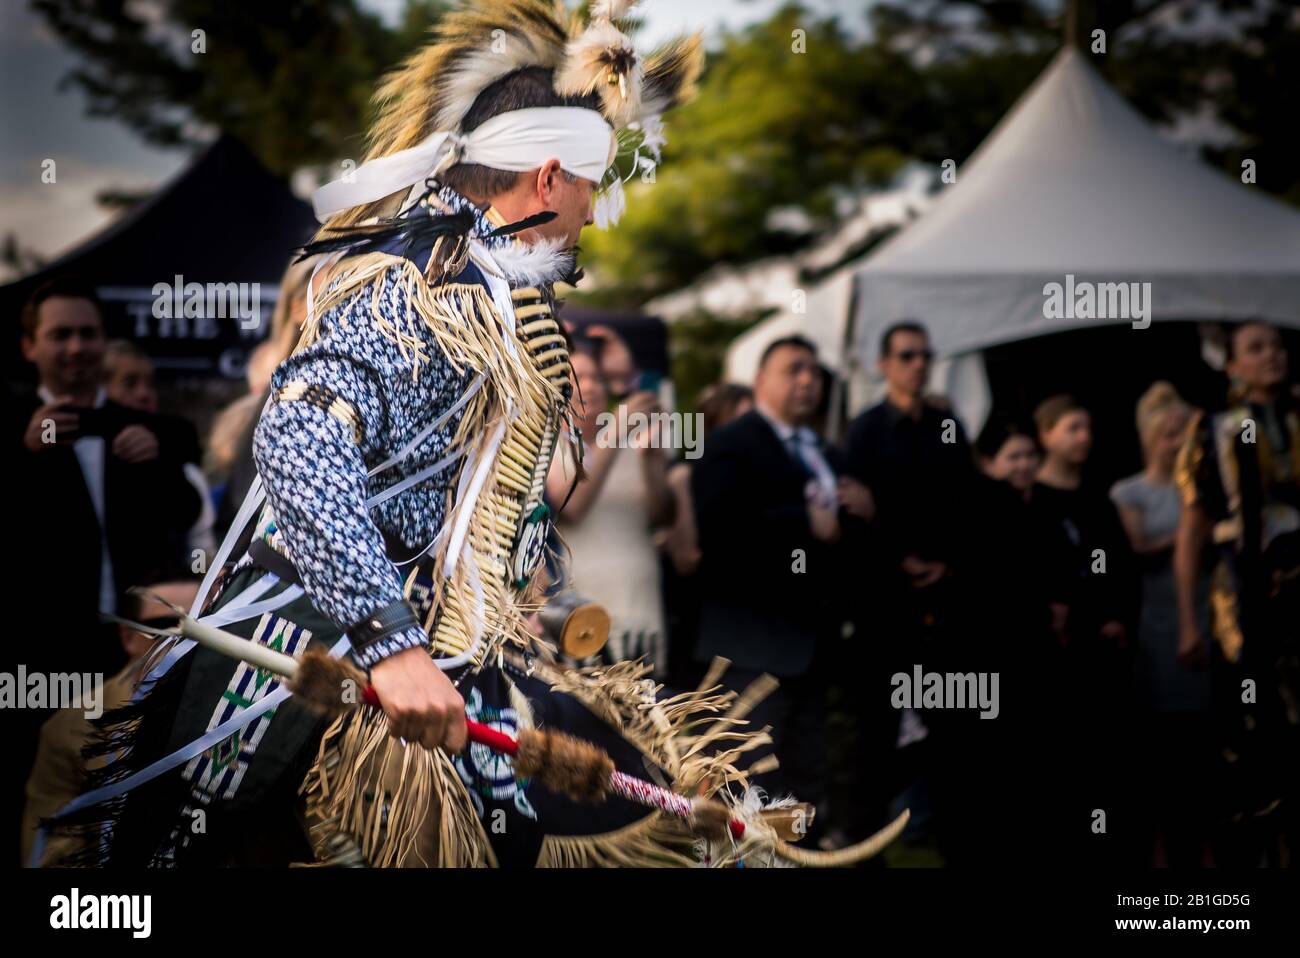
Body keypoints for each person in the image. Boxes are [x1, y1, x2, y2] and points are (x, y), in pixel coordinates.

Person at [44, 3, 860, 870]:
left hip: (441, 660)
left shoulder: (494, 303)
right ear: (548, 176)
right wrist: (389, 643)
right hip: (312, 655)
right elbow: (296, 439)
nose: (591, 213)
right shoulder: (412, 294)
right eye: (591, 185)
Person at [692, 335, 872, 840]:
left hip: (813, 647)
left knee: (806, 782)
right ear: (761, 381)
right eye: (794, 369)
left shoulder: (825, 452)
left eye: (814, 372)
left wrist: (864, 511)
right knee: (750, 786)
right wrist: (800, 522)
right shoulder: (731, 443)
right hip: (751, 650)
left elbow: (842, 541)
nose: (807, 380)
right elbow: (719, 530)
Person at [1174, 320, 1300, 865]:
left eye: (1276, 345)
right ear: (1232, 364)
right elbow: (1192, 530)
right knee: (1259, 722)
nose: (1271, 356)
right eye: (1256, 349)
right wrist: (1187, 619)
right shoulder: (1216, 430)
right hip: (1247, 594)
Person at [22, 573, 199, 867]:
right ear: (127, 636)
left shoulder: (235, 705)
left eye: (207, 622)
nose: (188, 637)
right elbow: (53, 852)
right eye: (166, 626)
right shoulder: (71, 728)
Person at [1033, 393, 1139, 863]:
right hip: (1055, 655)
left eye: (1088, 428)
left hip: (1102, 648)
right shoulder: (1032, 500)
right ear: (1046, 435)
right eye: (1072, 428)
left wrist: (1115, 615)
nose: (1083, 438)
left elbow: (1119, 564)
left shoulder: (1098, 496)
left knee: (1108, 760)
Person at [547, 335, 674, 675]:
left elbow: (663, 516)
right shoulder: (548, 447)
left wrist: (652, 464)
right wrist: (616, 430)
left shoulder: (631, 444)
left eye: (598, 378)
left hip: (639, 618)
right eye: (578, 376)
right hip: (580, 624)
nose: (590, 386)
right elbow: (571, 505)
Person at [103, 339, 217, 559]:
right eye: (130, 383)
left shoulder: (177, 456)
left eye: (150, 384)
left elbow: (200, 542)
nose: (144, 394)